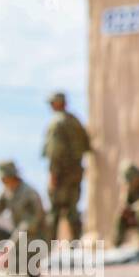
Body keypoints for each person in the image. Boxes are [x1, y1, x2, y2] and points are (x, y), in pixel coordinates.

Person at [41, 92, 92, 241]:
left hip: (61, 174)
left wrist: (53, 175)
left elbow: (55, 152)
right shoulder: (75, 121)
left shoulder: (57, 123)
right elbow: (86, 145)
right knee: (73, 210)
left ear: (58, 103)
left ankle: (48, 247)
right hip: (75, 172)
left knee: (54, 211)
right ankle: (75, 244)